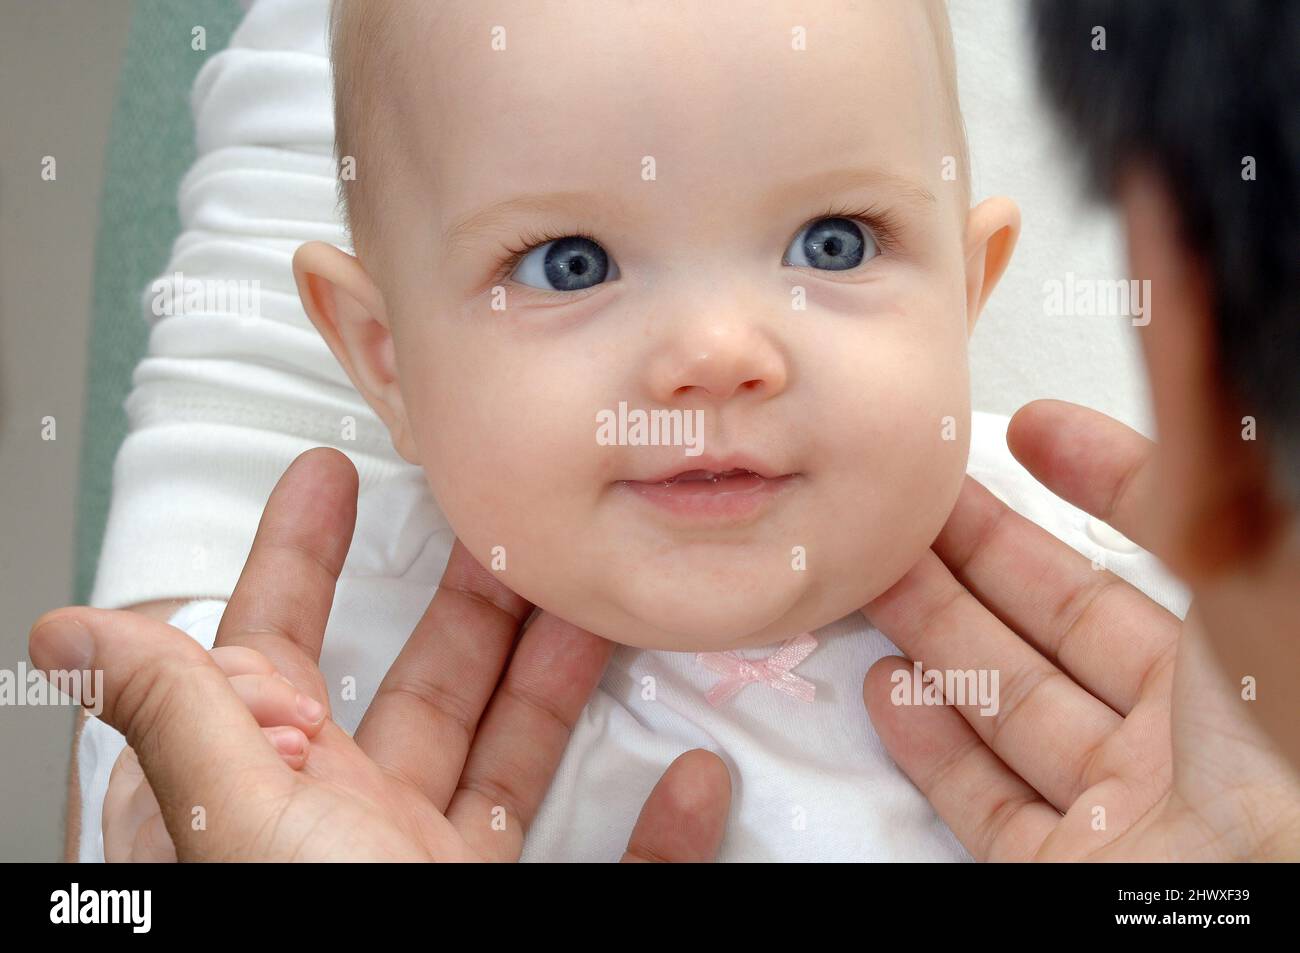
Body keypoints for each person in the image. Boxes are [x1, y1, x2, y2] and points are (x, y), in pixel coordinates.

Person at [38, 0, 1297, 861]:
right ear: (387, 361)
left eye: (833, 244)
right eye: (571, 262)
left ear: (970, 296)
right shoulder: (323, 695)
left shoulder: (1147, 670)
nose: (715, 355)